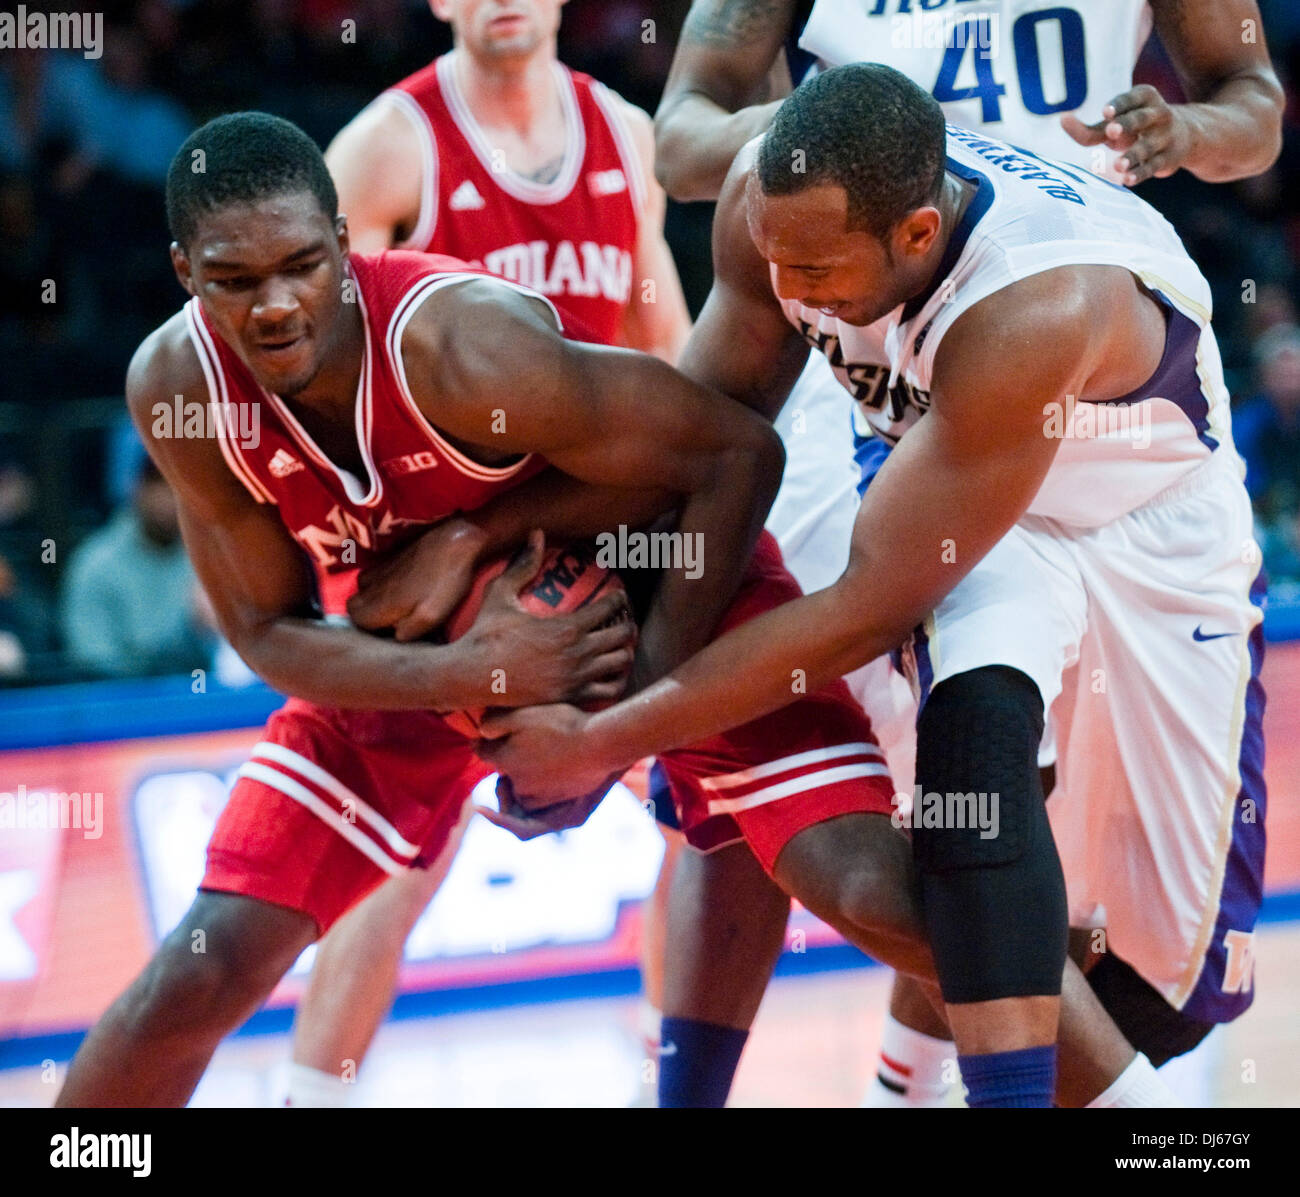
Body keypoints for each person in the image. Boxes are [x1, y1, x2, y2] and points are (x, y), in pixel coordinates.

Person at [56, 110, 959, 1107]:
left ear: (346, 246)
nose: (274, 306)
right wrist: (475, 672)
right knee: (201, 966)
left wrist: (609, 724)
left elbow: (736, 455)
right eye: (234, 280)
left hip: (653, 575)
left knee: (876, 896)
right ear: (185, 272)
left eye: (302, 266)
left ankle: (1122, 1093)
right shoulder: (176, 385)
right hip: (423, 649)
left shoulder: (458, 343)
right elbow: (267, 632)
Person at [482, 63, 1269, 1110]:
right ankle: (927, 1095)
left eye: (816, 271)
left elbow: (860, 611)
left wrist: (601, 739)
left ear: (916, 235)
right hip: (976, 508)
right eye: (777, 259)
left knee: (1162, 984)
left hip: (1145, 521)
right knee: (968, 769)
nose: (792, 292)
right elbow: (699, 442)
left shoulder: (1029, 307)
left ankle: (1148, 1117)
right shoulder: (773, 207)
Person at [286, 0, 692, 1105]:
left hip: (591, 530)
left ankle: (678, 1073)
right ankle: (311, 1093)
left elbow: (666, 350)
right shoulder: (387, 145)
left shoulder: (624, 131)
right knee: (403, 856)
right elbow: (312, 385)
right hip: (445, 554)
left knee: (700, 796)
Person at [59, 458, 213, 679]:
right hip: (119, 703)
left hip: (206, 698)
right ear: (135, 488)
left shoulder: (211, 555)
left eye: (176, 485)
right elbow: (92, 662)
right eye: (157, 484)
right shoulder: (95, 562)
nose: (167, 498)